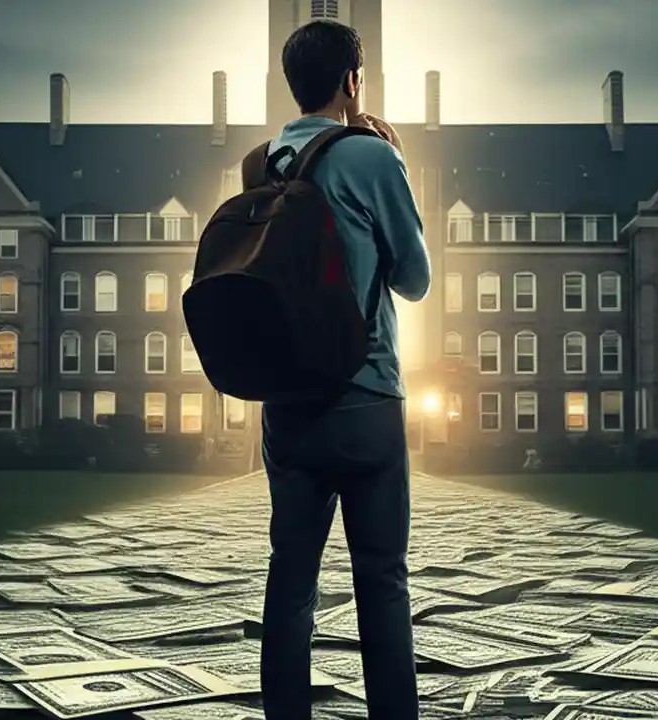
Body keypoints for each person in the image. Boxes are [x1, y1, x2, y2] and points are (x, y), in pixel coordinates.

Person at [257, 18, 430, 720]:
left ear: (292, 85)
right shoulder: (371, 157)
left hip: (288, 408)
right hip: (365, 402)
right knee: (382, 584)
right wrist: (395, 162)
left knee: (291, 586)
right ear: (352, 81)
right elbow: (414, 279)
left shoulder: (263, 163)